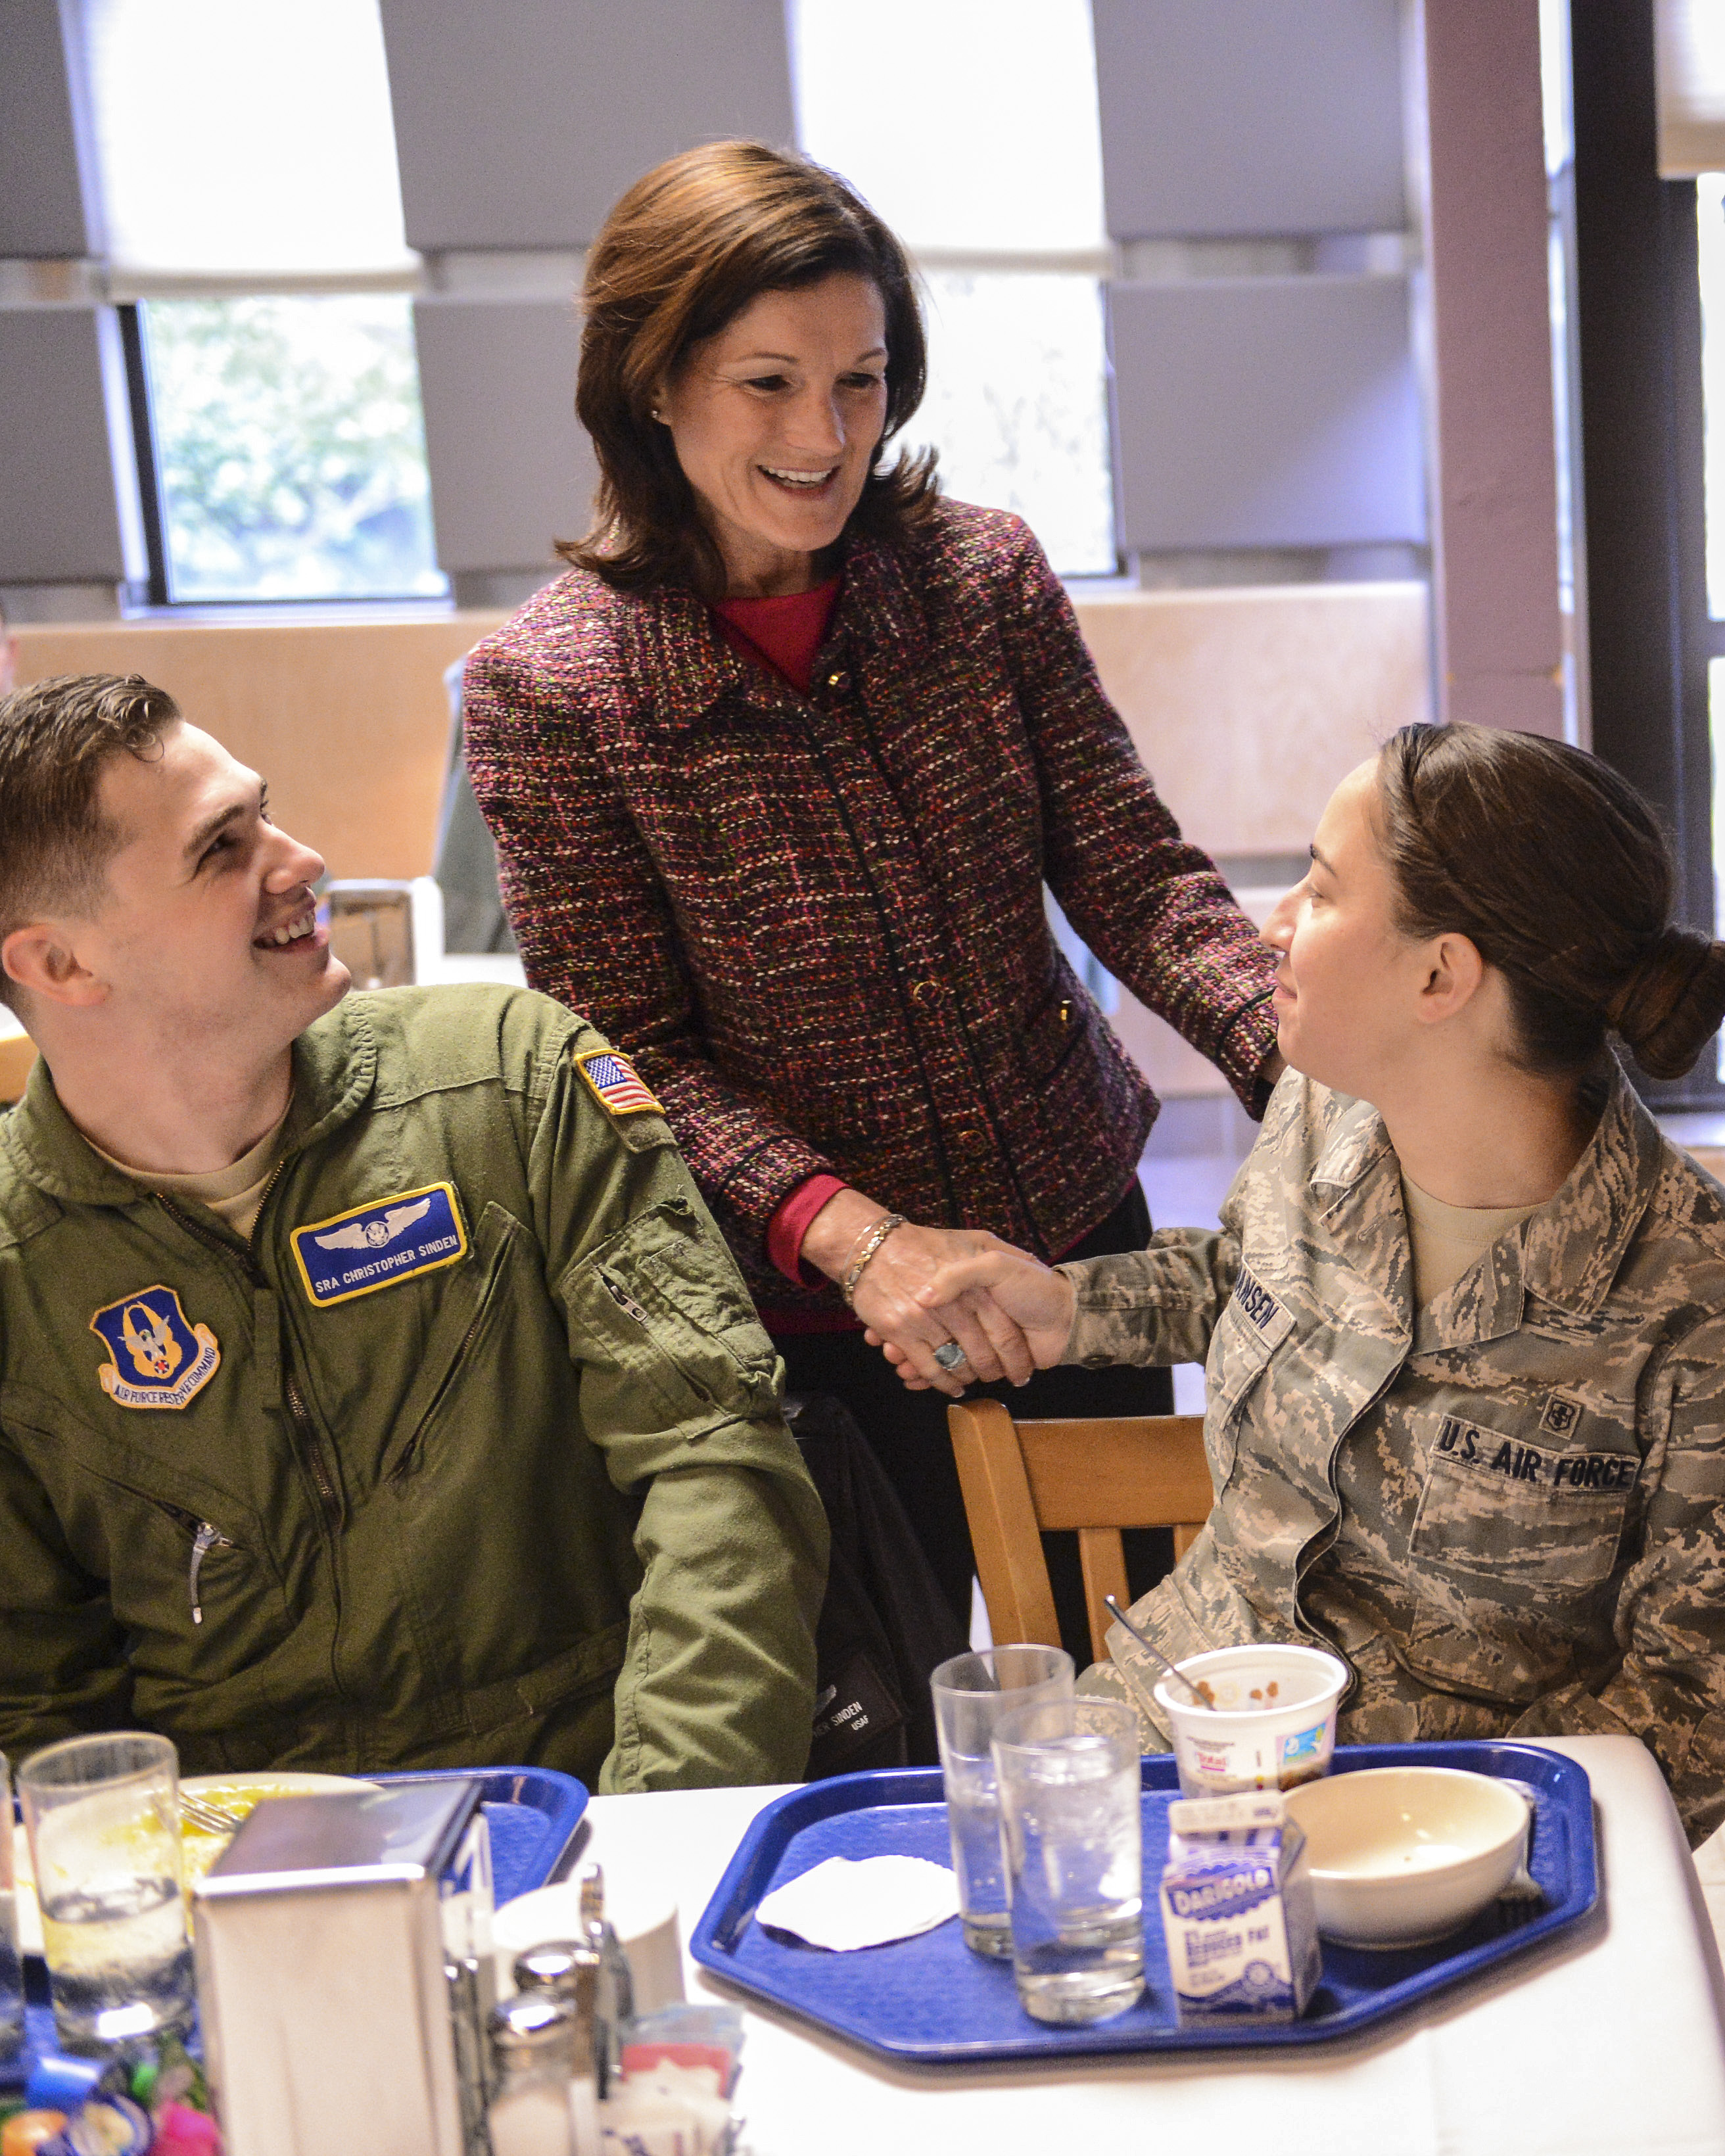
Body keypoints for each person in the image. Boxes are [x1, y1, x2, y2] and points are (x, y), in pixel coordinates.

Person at [461, 140, 1281, 1637]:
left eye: (862, 378)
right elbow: (628, 1055)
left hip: (1066, 1241)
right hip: (811, 1317)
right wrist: (863, 1241)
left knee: (1152, 1682)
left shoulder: (979, 581)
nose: (825, 432)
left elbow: (1134, 871)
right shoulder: (553, 688)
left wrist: (1310, 1065)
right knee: (881, 1746)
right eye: (767, 381)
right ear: (653, 381)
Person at [0, 672, 826, 1789]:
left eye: (266, 815)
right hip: (241, 1869)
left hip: (580, 1807)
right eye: (222, 850)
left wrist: (655, 1838)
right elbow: (36, 1694)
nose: (300, 864)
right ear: (60, 964)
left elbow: (717, 1463)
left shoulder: (510, 1080)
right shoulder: (20, 1265)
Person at [907, 722, 1725, 1843]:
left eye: (1323, 892)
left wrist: (1421, 1839)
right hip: (1174, 1733)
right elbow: (1253, 1283)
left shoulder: (1690, 1301)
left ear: (1443, 974)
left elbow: (1690, 1719)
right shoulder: (1322, 1113)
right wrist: (1073, 1309)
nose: (1274, 925)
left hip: (1458, 1827)